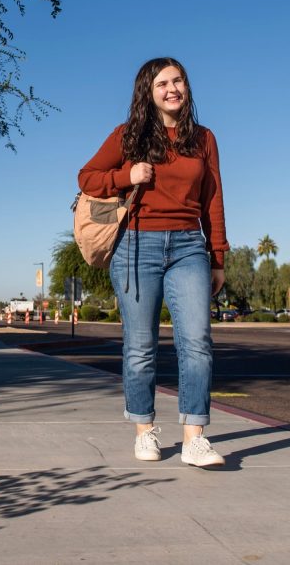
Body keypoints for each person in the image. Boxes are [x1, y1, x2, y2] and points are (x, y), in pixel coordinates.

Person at [78, 56, 229, 467]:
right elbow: (87, 177)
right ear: (148, 91)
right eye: (163, 83)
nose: (172, 89)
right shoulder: (128, 135)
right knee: (141, 346)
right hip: (136, 246)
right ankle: (145, 430)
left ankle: (195, 437)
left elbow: (212, 201)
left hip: (188, 248)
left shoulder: (204, 139)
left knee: (197, 342)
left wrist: (217, 257)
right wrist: (125, 176)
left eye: (178, 81)